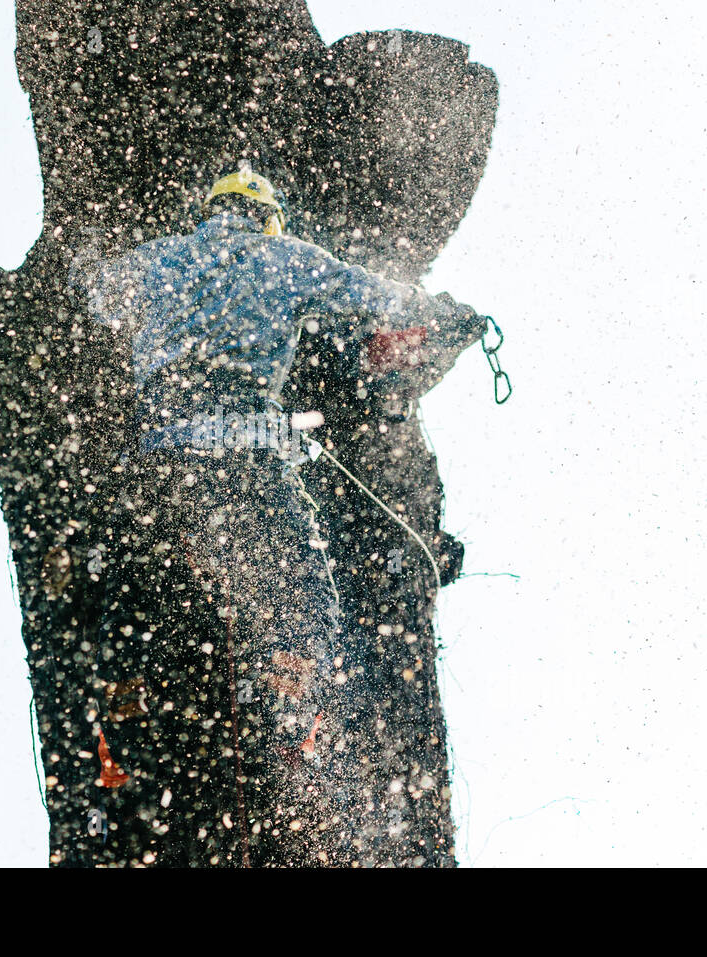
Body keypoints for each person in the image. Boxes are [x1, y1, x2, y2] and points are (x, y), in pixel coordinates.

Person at [69, 163, 491, 865]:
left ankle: (124, 704)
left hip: (162, 468)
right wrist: (445, 312)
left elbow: (95, 293)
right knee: (305, 593)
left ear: (211, 209)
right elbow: (367, 294)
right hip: (246, 460)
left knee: (135, 603)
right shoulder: (284, 257)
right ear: (265, 216)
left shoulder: (157, 260)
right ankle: (296, 696)